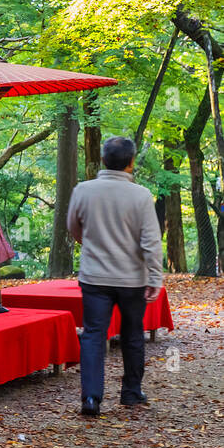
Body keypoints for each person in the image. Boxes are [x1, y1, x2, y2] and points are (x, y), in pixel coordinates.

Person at [66, 135, 163, 417]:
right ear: (130, 163)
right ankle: (131, 392)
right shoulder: (141, 195)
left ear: (103, 161)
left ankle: (91, 398)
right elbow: (150, 241)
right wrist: (155, 276)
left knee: (94, 334)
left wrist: (94, 245)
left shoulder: (83, 190)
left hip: (95, 276)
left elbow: (74, 227)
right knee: (133, 334)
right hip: (132, 278)